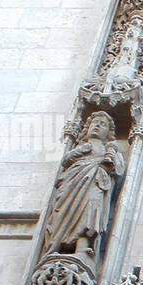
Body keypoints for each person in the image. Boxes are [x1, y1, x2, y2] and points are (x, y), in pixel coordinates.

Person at [43, 112, 124, 263]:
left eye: (103, 124)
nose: (97, 126)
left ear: (109, 132)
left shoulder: (109, 149)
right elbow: (66, 160)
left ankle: (83, 247)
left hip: (96, 183)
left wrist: (111, 154)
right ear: (87, 128)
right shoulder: (82, 147)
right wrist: (83, 150)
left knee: (90, 212)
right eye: (95, 122)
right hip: (73, 183)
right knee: (64, 212)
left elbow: (118, 169)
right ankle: (56, 246)